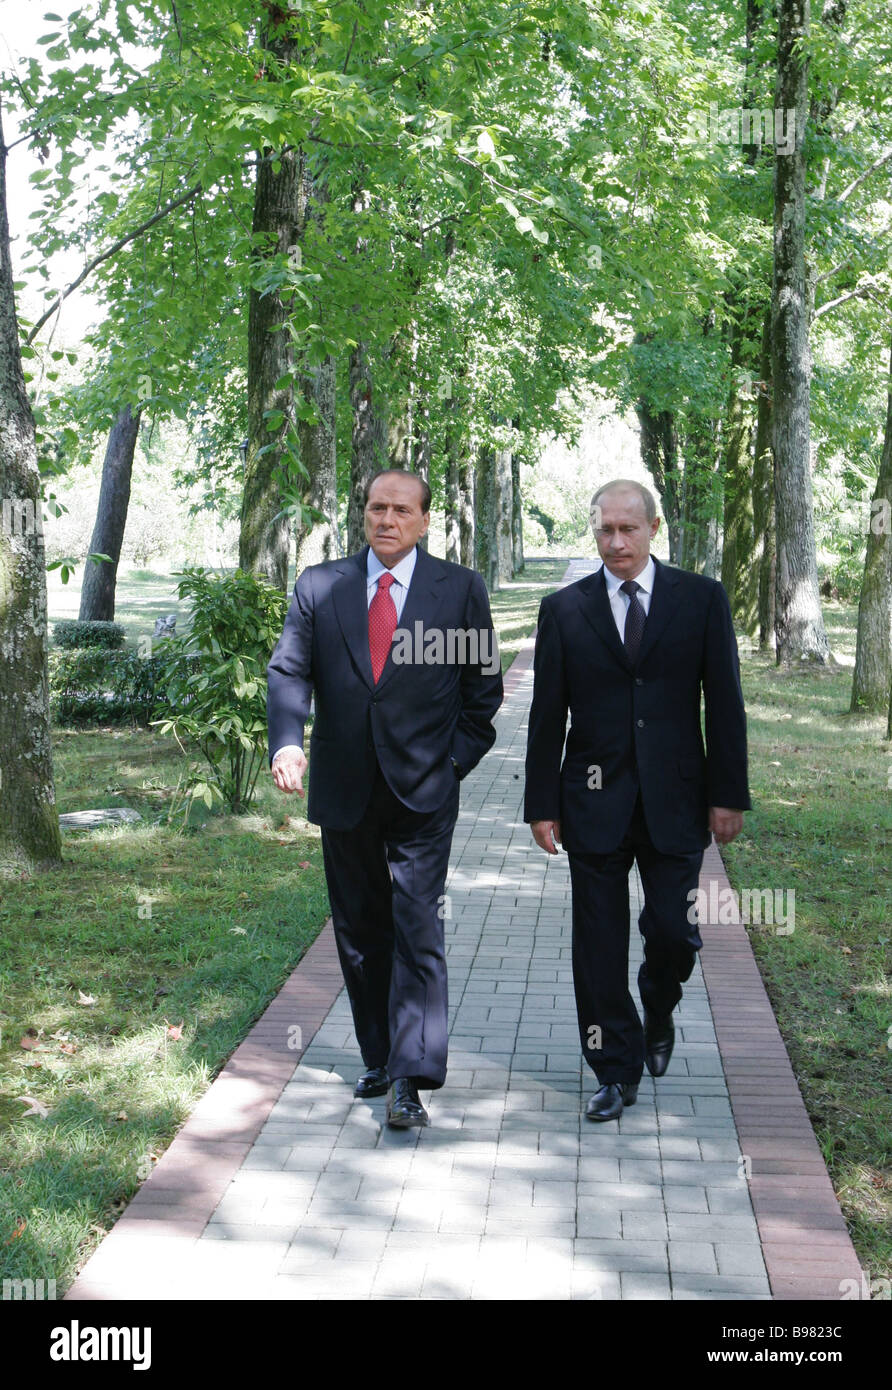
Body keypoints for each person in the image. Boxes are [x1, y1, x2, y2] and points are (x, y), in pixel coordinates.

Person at [267, 470, 504, 1127]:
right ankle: (378, 1054)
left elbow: (483, 693)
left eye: (402, 510)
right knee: (361, 931)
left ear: (426, 520)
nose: (387, 519)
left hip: (424, 793)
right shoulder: (322, 586)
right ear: (362, 513)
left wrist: (453, 761)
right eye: (377, 507)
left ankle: (411, 1079)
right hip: (345, 789)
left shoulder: (457, 592)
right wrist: (287, 742)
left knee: (416, 926)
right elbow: (288, 668)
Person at [524, 479, 750, 1121]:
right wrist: (543, 803)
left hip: (678, 800)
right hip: (591, 801)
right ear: (593, 531)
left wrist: (728, 794)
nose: (616, 542)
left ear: (654, 527)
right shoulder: (564, 609)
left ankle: (659, 1003)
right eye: (604, 530)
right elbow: (547, 714)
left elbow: (725, 704)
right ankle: (613, 1068)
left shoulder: (701, 600)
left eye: (629, 529)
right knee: (597, 944)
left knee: (675, 932)